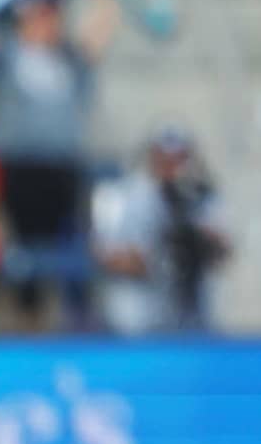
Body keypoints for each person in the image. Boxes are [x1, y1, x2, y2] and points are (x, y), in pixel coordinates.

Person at [0, 0, 120, 328]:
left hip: (62, 166)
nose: (50, 23)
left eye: (53, 16)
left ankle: (70, 320)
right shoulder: (6, 57)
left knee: (70, 246)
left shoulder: (68, 60)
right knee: (22, 251)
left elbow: (98, 34)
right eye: (42, 16)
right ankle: (25, 318)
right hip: (20, 166)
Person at [93, 126, 230, 334]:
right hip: (136, 317)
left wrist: (198, 246)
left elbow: (222, 251)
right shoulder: (122, 195)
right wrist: (159, 257)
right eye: (165, 160)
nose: (172, 168)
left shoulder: (202, 198)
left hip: (189, 316)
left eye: (179, 159)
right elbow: (105, 255)